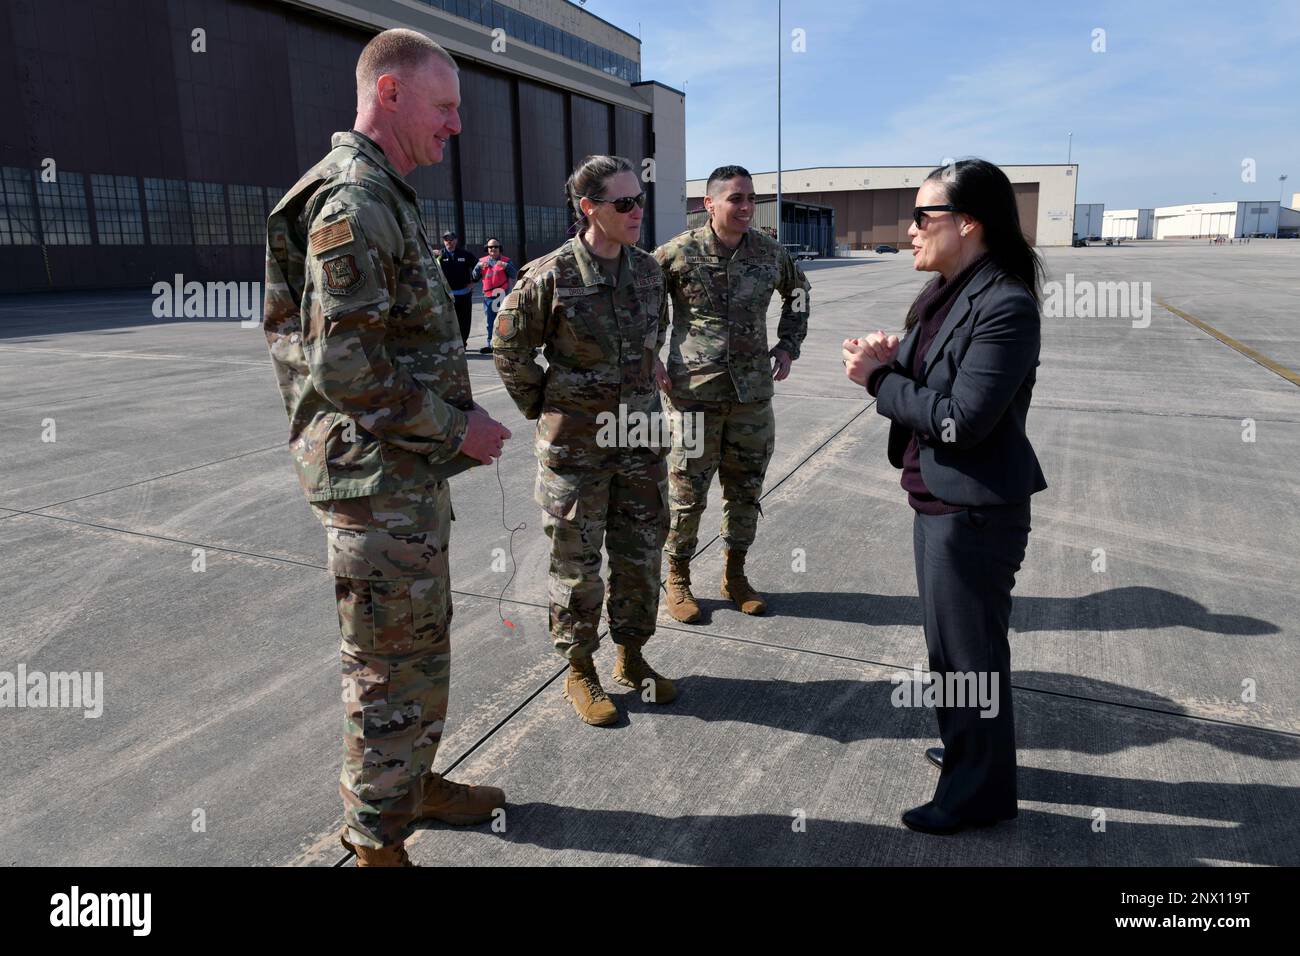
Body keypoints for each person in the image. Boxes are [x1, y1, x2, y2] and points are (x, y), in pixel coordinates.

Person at [262, 28, 513, 866]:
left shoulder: (386, 193)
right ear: (391, 94)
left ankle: (411, 783)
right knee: (385, 661)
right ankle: (374, 840)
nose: (457, 126)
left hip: (398, 475)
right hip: (374, 482)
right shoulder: (354, 202)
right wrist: (457, 430)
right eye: (445, 108)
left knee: (417, 644)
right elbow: (344, 364)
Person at [842, 158, 1047, 836]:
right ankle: (971, 759)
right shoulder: (948, 291)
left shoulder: (1006, 304)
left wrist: (877, 381)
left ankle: (980, 794)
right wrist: (890, 356)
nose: (910, 230)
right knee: (951, 655)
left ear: (968, 223)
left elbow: (964, 417)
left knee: (970, 658)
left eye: (923, 217)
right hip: (937, 501)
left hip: (974, 510)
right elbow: (933, 371)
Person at [491, 155, 674, 726]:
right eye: (624, 203)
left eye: (640, 199)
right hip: (577, 453)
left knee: (640, 556)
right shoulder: (550, 276)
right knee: (577, 567)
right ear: (588, 208)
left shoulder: (649, 272)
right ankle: (579, 669)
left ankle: (632, 656)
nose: (637, 210)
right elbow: (510, 350)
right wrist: (549, 407)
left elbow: (654, 340)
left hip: (641, 443)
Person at [653, 165, 810, 622]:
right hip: (693, 395)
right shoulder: (678, 252)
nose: (745, 207)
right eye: (736, 199)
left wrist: (788, 344)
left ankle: (735, 575)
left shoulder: (768, 252)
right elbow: (642, 295)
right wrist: (650, 351)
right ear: (710, 204)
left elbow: (798, 292)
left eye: (750, 199)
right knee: (687, 492)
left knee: (745, 490)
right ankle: (678, 578)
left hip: (751, 396)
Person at [472, 238, 517, 354]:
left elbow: (514, 275)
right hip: (488, 296)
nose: (493, 249)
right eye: (490, 247)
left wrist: (506, 266)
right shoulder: (481, 262)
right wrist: (477, 268)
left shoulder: (506, 261)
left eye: (495, 247)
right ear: (487, 249)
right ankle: (490, 344)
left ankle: (505, 344)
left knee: (505, 320)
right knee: (490, 322)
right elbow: (474, 278)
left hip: (503, 295)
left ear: (499, 248)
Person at [438, 231, 476, 345]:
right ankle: (450, 343)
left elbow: (478, 267)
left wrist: (473, 282)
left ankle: (462, 343)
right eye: (446, 239)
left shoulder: (465, 254)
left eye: (451, 239)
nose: (449, 241)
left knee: (464, 320)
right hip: (446, 295)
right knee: (447, 321)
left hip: (463, 294)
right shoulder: (439, 255)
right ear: (444, 241)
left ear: (456, 240)